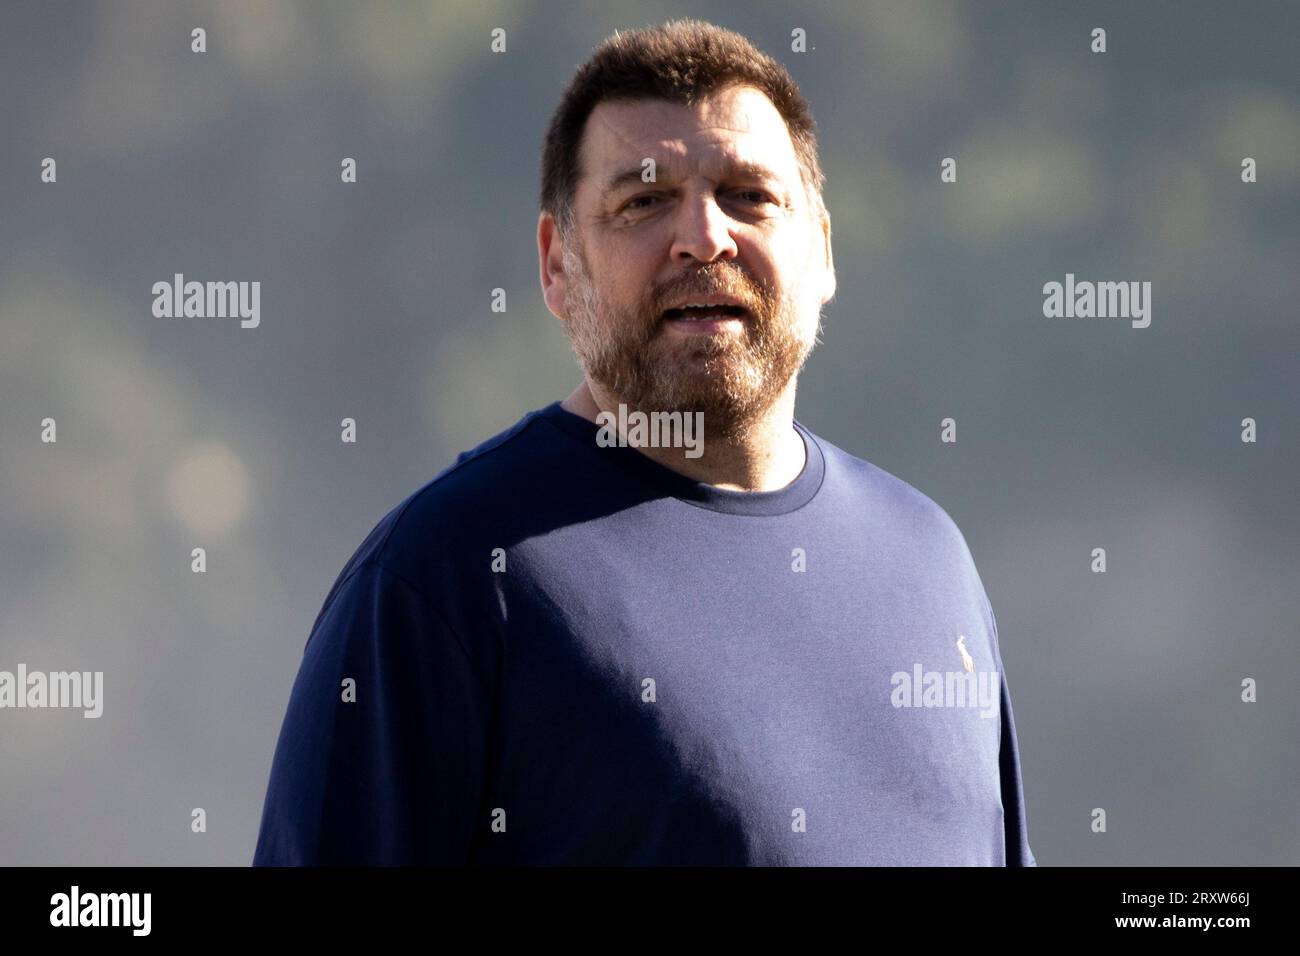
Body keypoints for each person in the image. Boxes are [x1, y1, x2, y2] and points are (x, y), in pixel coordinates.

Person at [253, 18, 1037, 866]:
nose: (704, 237)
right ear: (558, 265)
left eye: (750, 195)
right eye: (643, 201)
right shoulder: (447, 578)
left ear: (822, 248)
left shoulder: (930, 559)